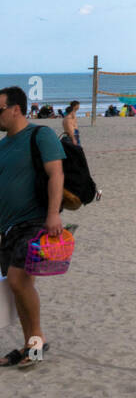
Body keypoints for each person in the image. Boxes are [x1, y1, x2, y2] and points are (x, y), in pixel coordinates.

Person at [0, 86, 63, 367]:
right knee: (19, 286)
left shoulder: (41, 135)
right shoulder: (3, 145)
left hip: (35, 221)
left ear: (16, 109)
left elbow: (56, 174)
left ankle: (36, 342)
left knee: (18, 280)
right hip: (8, 227)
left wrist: (53, 214)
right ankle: (31, 345)